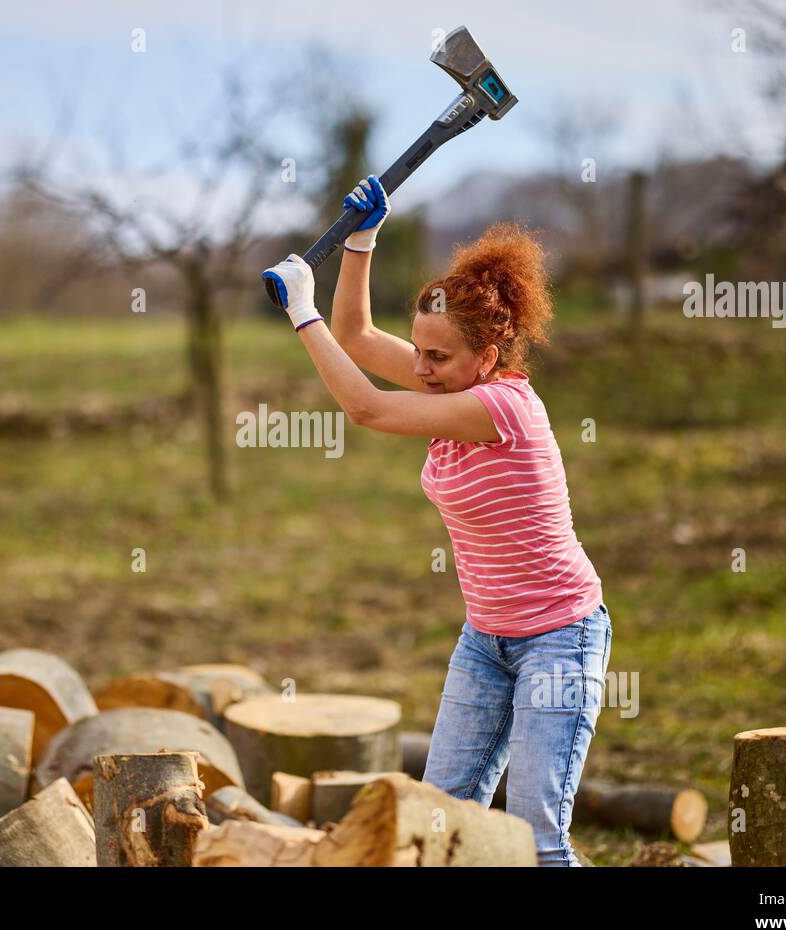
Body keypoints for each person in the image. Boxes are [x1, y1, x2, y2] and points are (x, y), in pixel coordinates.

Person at [261, 174, 611, 866]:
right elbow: (359, 337)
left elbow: (368, 408)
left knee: (539, 839)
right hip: (486, 640)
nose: (418, 368)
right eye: (417, 349)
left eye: (437, 357)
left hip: (558, 638)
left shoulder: (502, 408)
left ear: (488, 356)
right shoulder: (447, 379)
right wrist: (363, 240)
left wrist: (304, 314)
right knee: (439, 821)